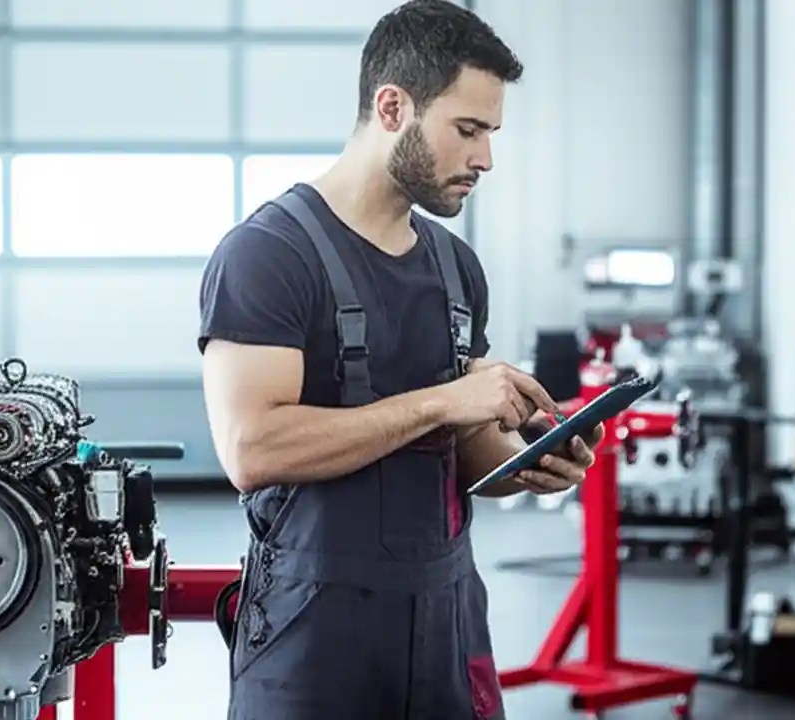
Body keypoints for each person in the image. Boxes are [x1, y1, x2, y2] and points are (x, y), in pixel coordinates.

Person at [198, 2, 603, 718]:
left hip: (446, 624)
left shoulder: (457, 269)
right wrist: (443, 401)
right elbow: (251, 448)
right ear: (393, 107)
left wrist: (530, 462)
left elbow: (465, 455)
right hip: (312, 638)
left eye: (490, 134)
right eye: (468, 130)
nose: (485, 159)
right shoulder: (267, 256)